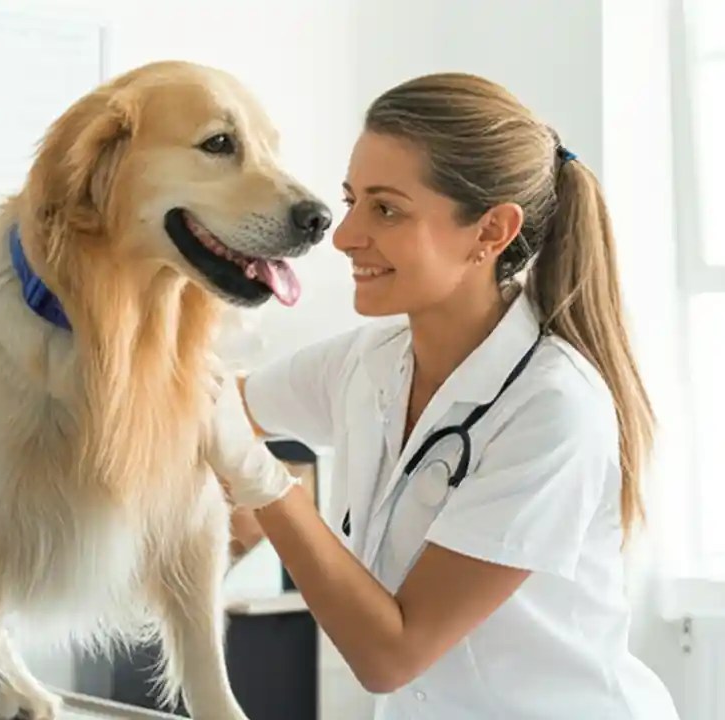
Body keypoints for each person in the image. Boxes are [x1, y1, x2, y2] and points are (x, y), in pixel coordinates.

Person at [215, 73, 681, 718]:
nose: (345, 236)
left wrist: (262, 483)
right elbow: (209, 408)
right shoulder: (367, 363)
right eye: (351, 200)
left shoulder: (553, 409)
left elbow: (391, 654)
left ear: (490, 232)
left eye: (386, 209)